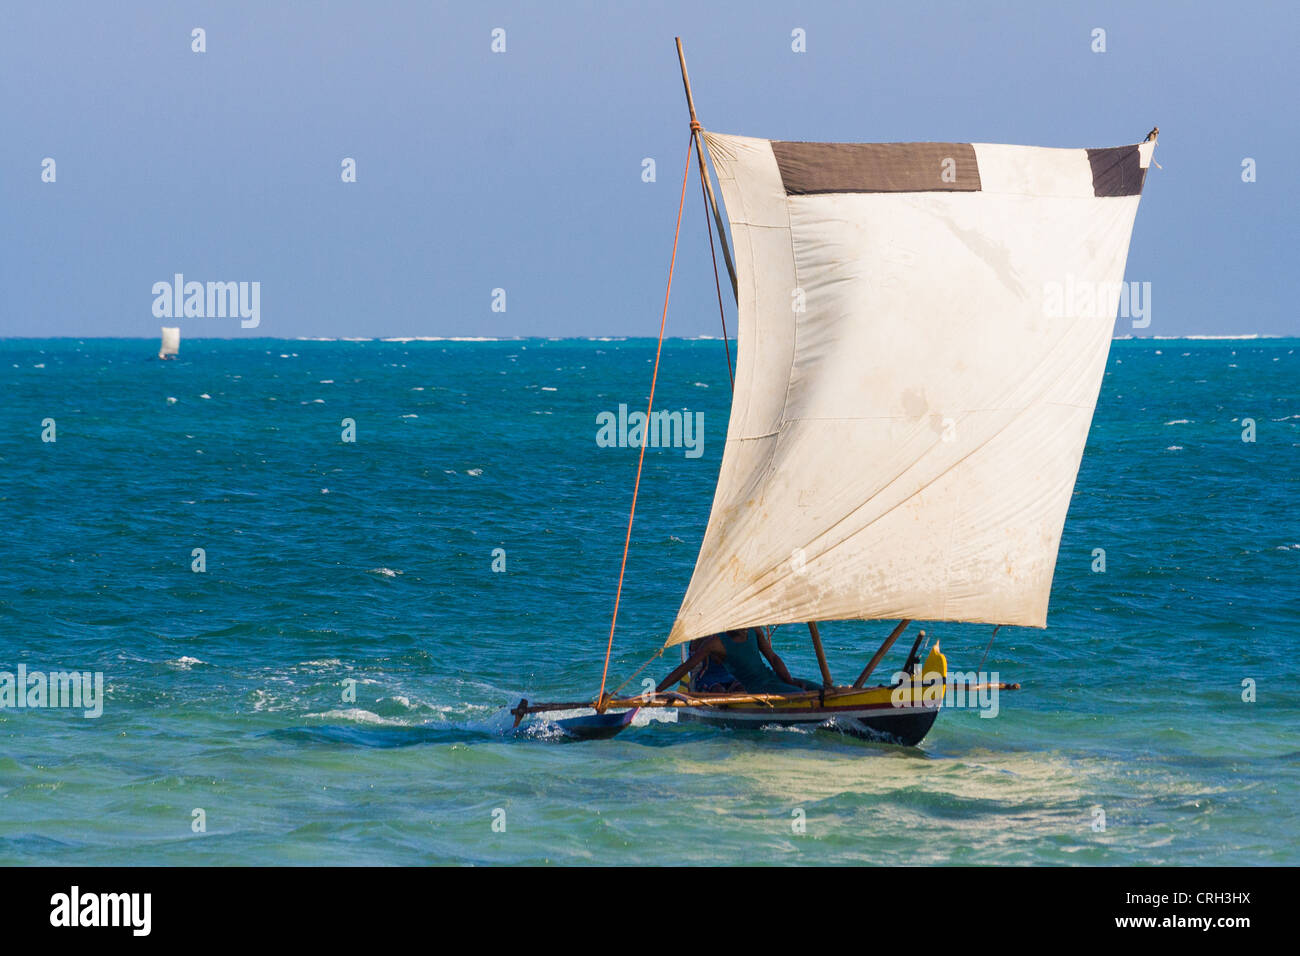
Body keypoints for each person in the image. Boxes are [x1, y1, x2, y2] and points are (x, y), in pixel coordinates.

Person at [692, 627, 815, 695]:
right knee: (719, 691)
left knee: (741, 689)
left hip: (732, 677)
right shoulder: (708, 638)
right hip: (708, 677)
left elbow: (772, 658)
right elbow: (694, 663)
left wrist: (789, 682)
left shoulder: (744, 632)